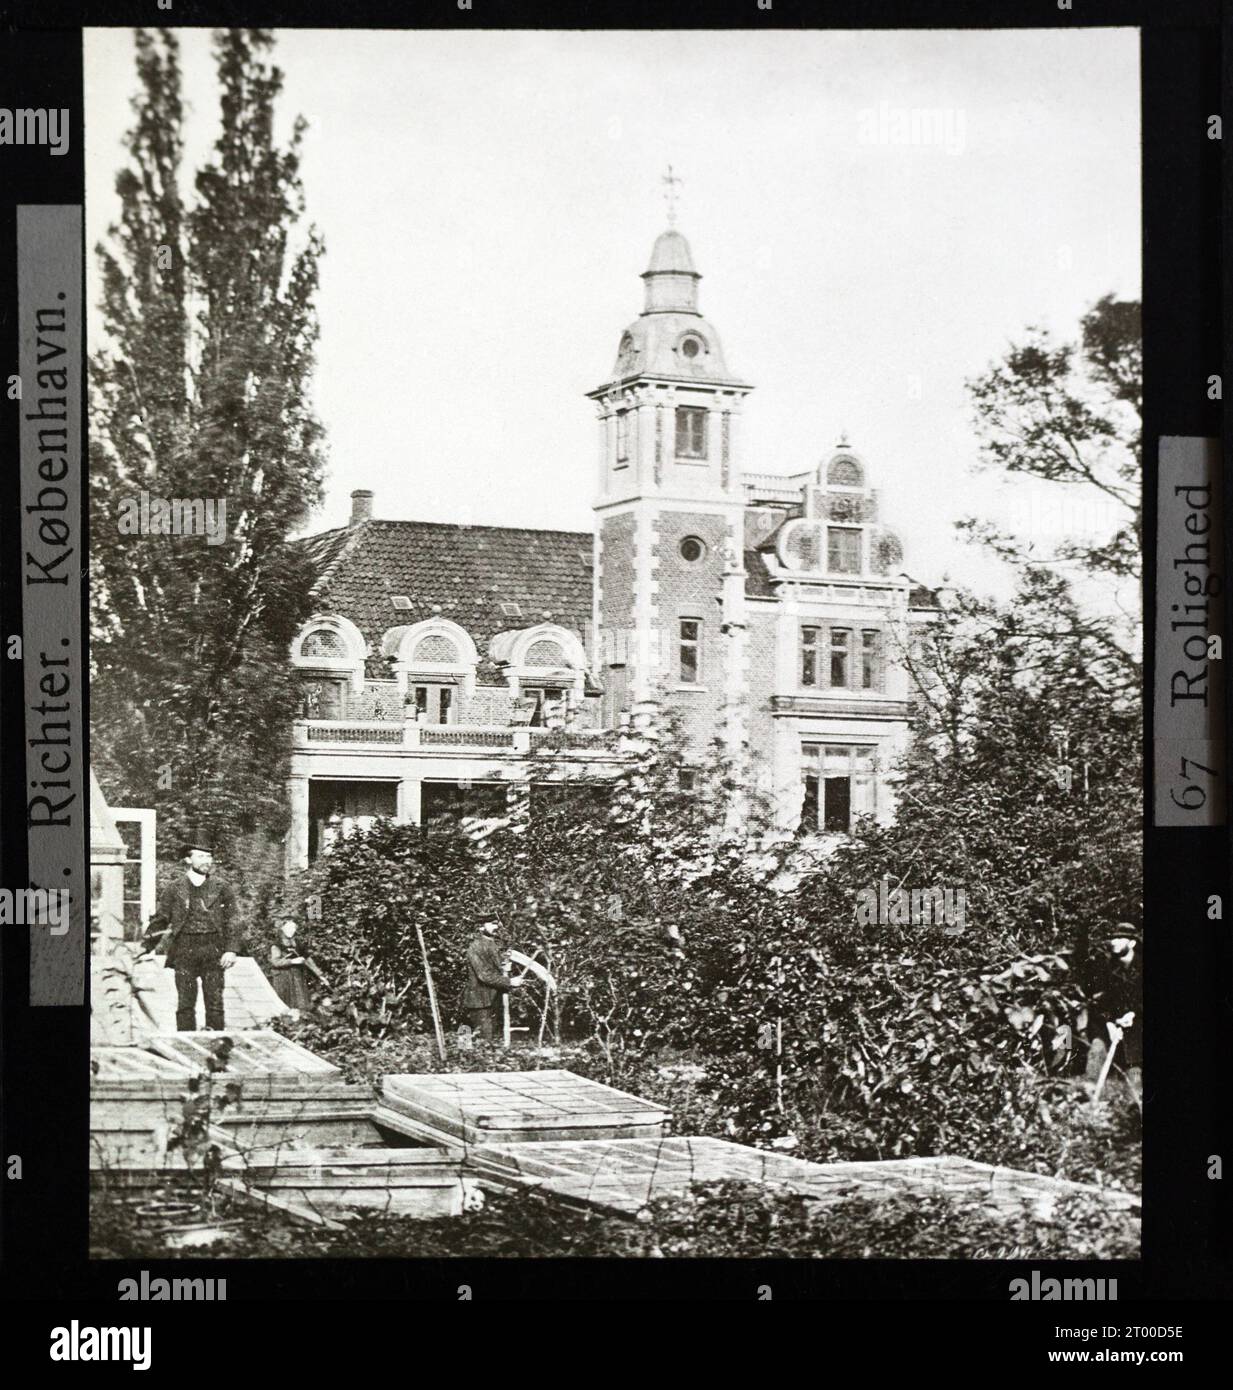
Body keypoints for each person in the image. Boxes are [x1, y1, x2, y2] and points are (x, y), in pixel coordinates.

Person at [143, 830, 241, 1032]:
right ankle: (186, 1045)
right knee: (185, 1004)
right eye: (201, 856)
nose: (207, 860)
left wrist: (231, 949)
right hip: (184, 950)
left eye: (209, 856)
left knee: (215, 1004)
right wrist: (144, 946)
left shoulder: (222, 887)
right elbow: (161, 920)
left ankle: (216, 1051)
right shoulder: (174, 888)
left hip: (213, 950)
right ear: (188, 859)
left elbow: (233, 919)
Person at [462, 918, 523, 1042]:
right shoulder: (475, 947)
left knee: (491, 1040)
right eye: (491, 924)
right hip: (480, 1001)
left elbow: (492, 968)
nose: (496, 927)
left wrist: (503, 967)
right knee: (484, 1041)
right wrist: (510, 982)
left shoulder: (492, 943)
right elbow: (484, 975)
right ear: (480, 927)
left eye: (497, 924)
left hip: (492, 998)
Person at [268, 918, 313, 1015]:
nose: (291, 930)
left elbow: (308, 959)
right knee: (284, 1004)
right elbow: (275, 962)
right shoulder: (277, 944)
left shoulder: (297, 943)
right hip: (282, 978)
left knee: (299, 1004)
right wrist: (292, 961)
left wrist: (320, 974)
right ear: (282, 928)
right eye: (288, 927)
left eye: (293, 928)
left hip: (296, 977)